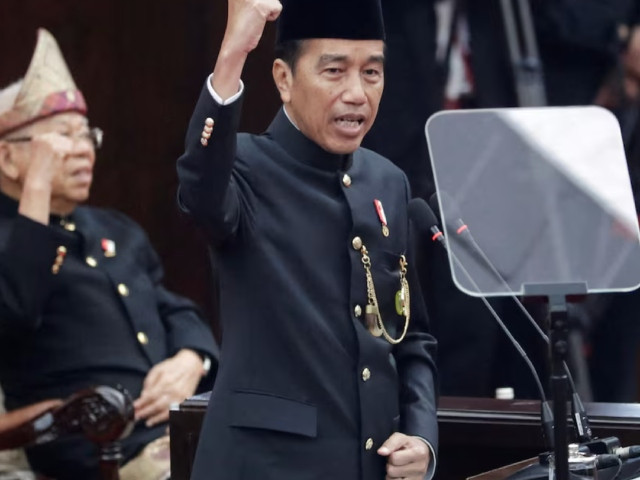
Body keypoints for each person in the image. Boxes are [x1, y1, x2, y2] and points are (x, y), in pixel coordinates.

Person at [176, 0, 439, 478]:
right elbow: (199, 189)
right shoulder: (244, 167)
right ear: (283, 79)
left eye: (372, 73)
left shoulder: (389, 183)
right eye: (334, 71)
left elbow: (411, 337)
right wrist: (233, 54)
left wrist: (422, 436)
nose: (357, 93)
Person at [0, 29, 218, 479]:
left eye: (87, 136)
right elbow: (14, 309)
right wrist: (37, 186)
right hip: (100, 450)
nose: (84, 150)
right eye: (61, 139)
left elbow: (174, 309)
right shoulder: (12, 240)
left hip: (181, 433)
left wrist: (191, 359)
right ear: (7, 160)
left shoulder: (114, 229)